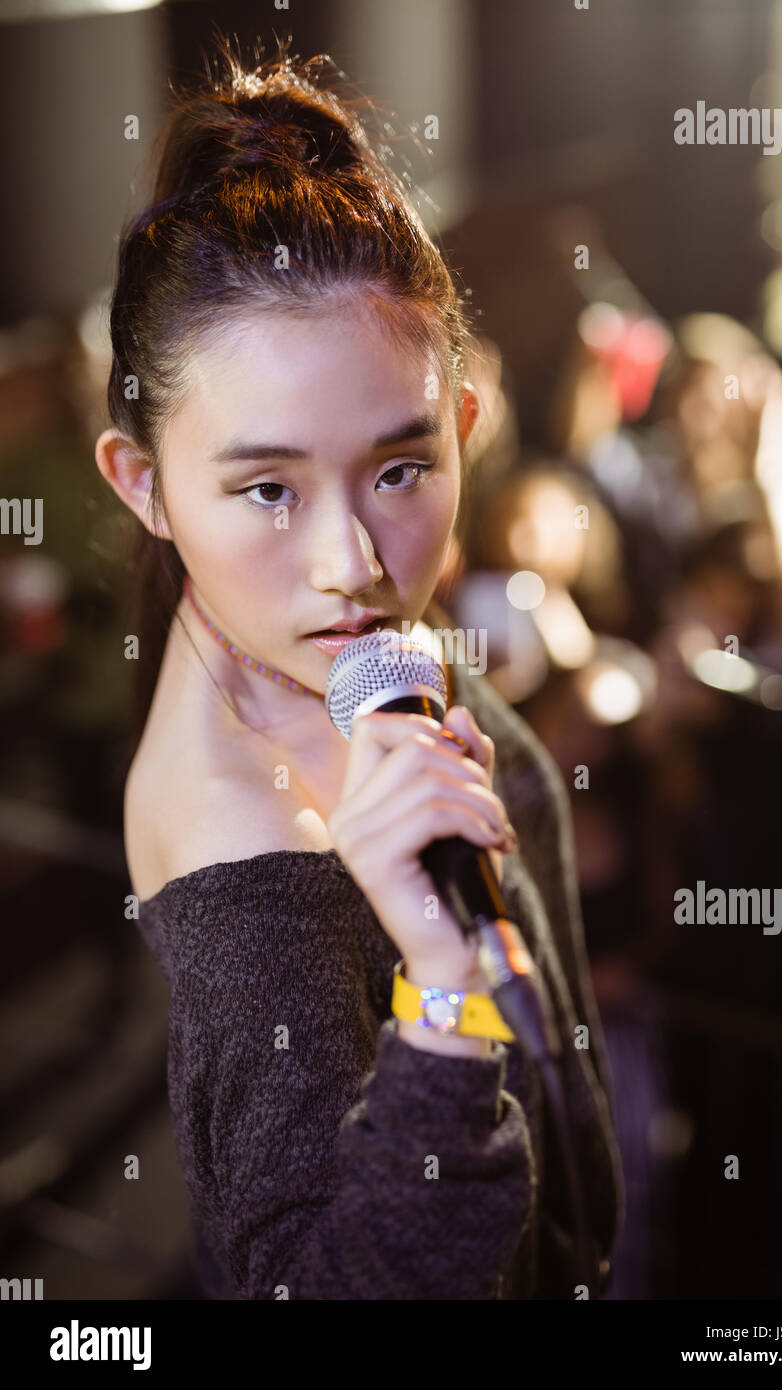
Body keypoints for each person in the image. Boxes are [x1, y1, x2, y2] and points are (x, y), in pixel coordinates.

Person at [93, 37, 623, 1301]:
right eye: (266, 488)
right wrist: (443, 998)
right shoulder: (247, 850)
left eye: (398, 468)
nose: (350, 561)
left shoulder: (306, 634)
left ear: (465, 432)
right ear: (144, 484)